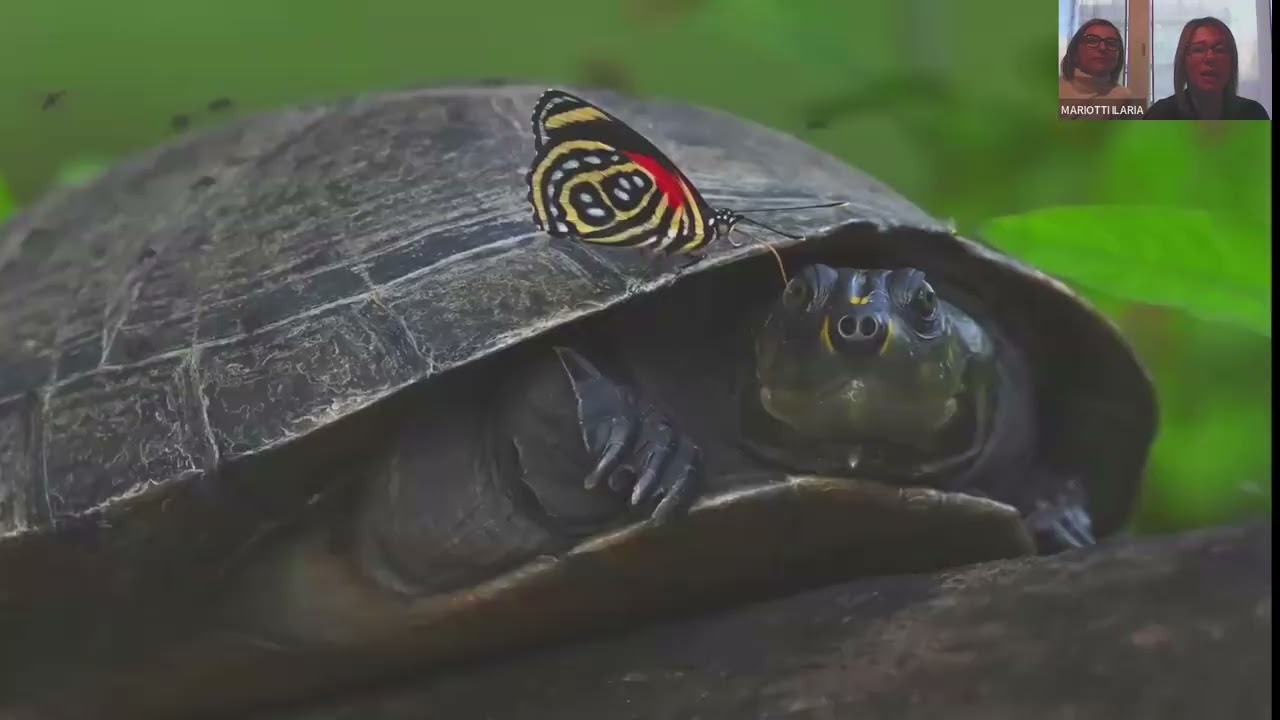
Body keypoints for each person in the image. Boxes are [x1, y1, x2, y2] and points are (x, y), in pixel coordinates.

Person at [1145, 17, 1270, 120]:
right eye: (1198, 49)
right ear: (1183, 60)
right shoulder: (1160, 116)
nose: (1210, 57)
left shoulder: (1252, 115)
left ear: (1232, 61)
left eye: (1220, 49)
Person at [1059, 19, 1141, 103]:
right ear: (1075, 51)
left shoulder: (1123, 98)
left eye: (1111, 43)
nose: (1102, 48)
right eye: (1092, 41)